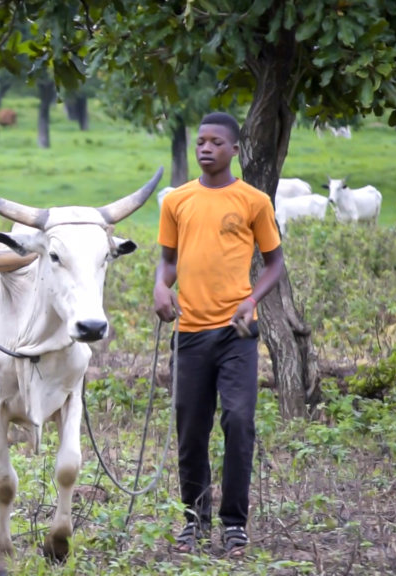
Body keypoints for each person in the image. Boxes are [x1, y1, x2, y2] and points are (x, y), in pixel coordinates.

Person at [154, 112, 285, 556]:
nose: (206, 149)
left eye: (215, 143)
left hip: (236, 332)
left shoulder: (253, 201)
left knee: (239, 421)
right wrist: (160, 286)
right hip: (189, 333)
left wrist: (251, 301)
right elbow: (167, 261)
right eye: (200, 143)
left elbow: (274, 263)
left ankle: (234, 524)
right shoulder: (177, 201)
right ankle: (193, 521)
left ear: (233, 150)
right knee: (191, 430)